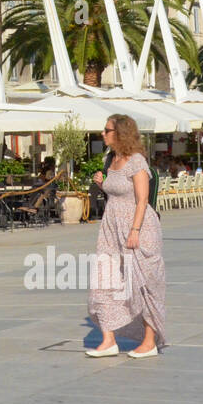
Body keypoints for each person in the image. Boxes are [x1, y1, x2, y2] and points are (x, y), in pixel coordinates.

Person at [87, 114, 166, 358]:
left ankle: (149, 341)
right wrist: (102, 183)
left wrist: (135, 231)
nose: (103, 133)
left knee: (144, 284)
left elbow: (142, 200)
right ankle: (108, 340)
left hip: (137, 227)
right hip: (111, 229)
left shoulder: (137, 161)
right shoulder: (110, 159)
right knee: (104, 281)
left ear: (120, 133)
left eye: (107, 130)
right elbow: (117, 193)